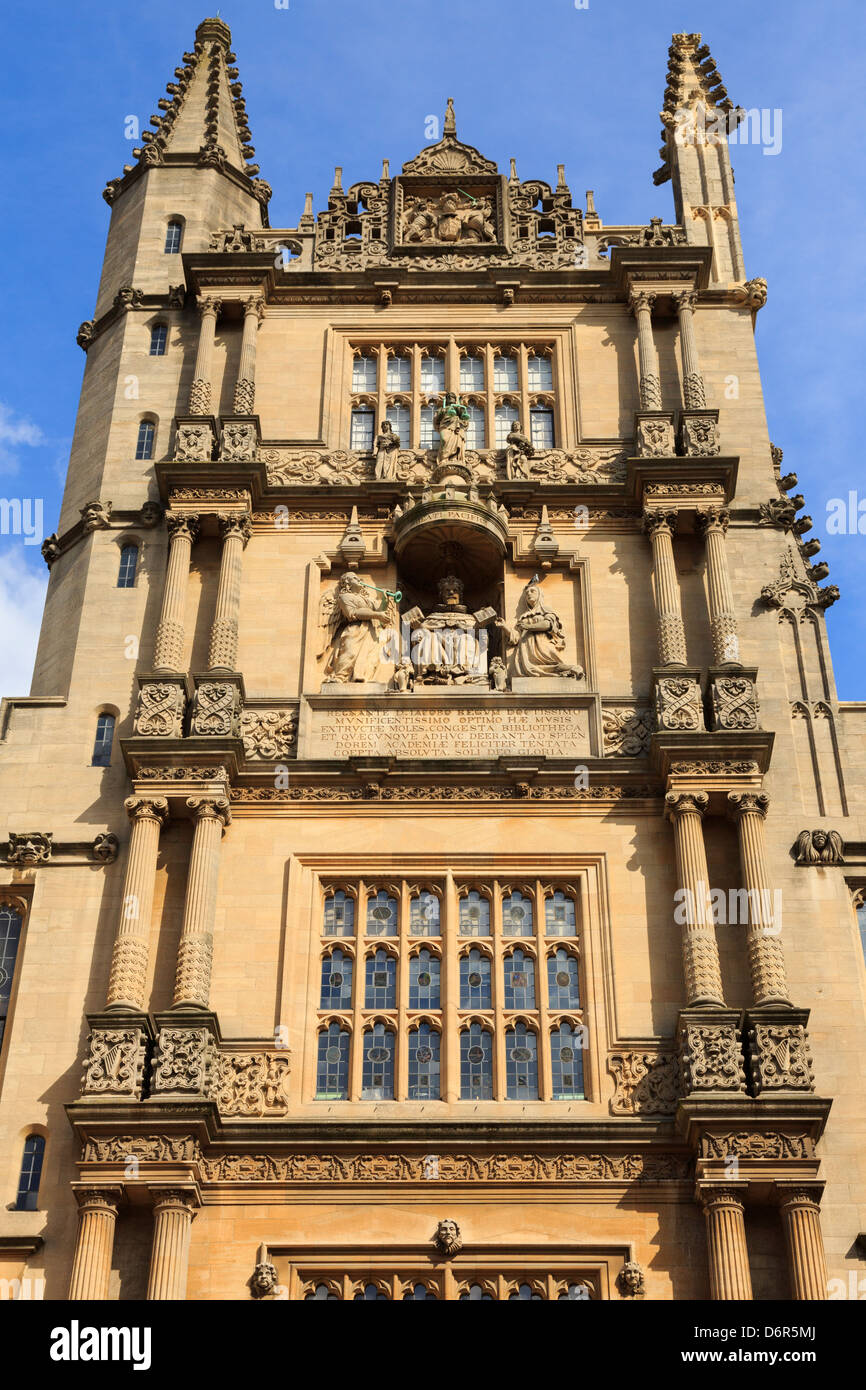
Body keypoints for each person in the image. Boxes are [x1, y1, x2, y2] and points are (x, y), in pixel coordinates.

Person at [497, 582, 583, 679]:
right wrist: (504, 626)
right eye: (527, 593)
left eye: (532, 591)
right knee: (535, 670)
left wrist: (529, 626)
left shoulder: (546, 610)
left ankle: (574, 669)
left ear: (539, 595)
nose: (529, 594)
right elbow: (516, 637)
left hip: (542, 645)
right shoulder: (523, 616)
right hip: (526, 650)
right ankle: (570, 670)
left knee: (552, 665)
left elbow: (548, 624)